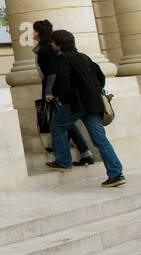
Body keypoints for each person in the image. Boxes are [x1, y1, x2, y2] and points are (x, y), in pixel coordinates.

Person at [44, 29, 126, 188]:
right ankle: (116, 173)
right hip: (94, 102)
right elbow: (100, 78)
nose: (52, 45)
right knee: (100, 139)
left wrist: (61, 95)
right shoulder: (85, 57)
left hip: (76, 103)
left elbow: (63, 81)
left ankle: (63, 161)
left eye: (53, 42)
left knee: (57, 125)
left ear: (59, 43)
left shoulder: (63, 59)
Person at [33, 19, 94, 166]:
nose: (32, 33)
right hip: (54, 87)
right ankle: (85, 153)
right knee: (65, 122)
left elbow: (51, 73)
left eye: (34, 30)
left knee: (62, 122)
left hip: (53, 89)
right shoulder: (48, 48)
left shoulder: (45, 50)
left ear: (39, 32)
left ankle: (70, 157)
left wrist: (48, 91)